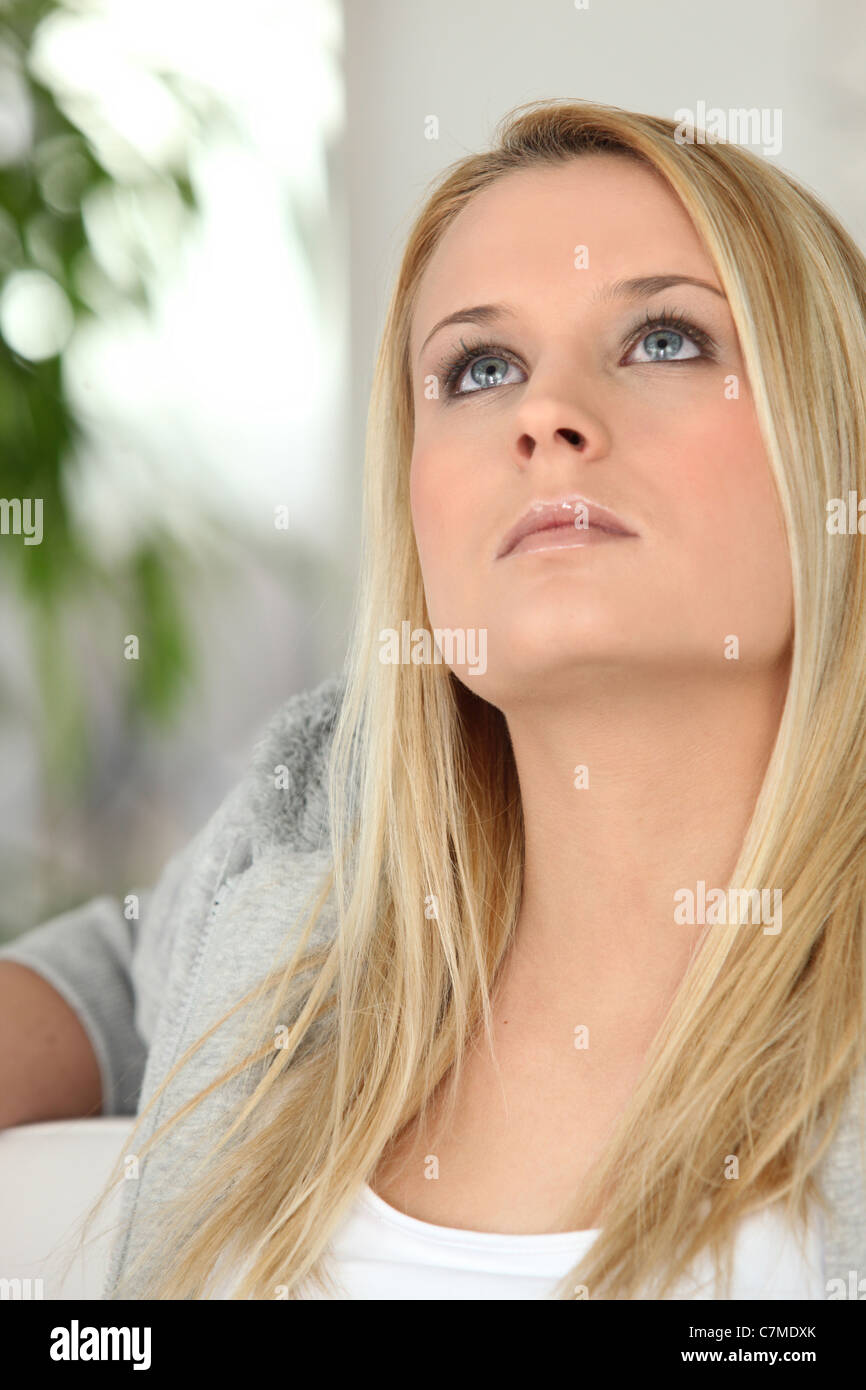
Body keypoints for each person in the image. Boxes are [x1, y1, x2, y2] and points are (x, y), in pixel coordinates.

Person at [2, 98, 865, 1301]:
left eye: (664, 340)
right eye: (478, 367)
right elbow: (118, 969)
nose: (541, 417)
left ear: (832, 443)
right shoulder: (304, 874)